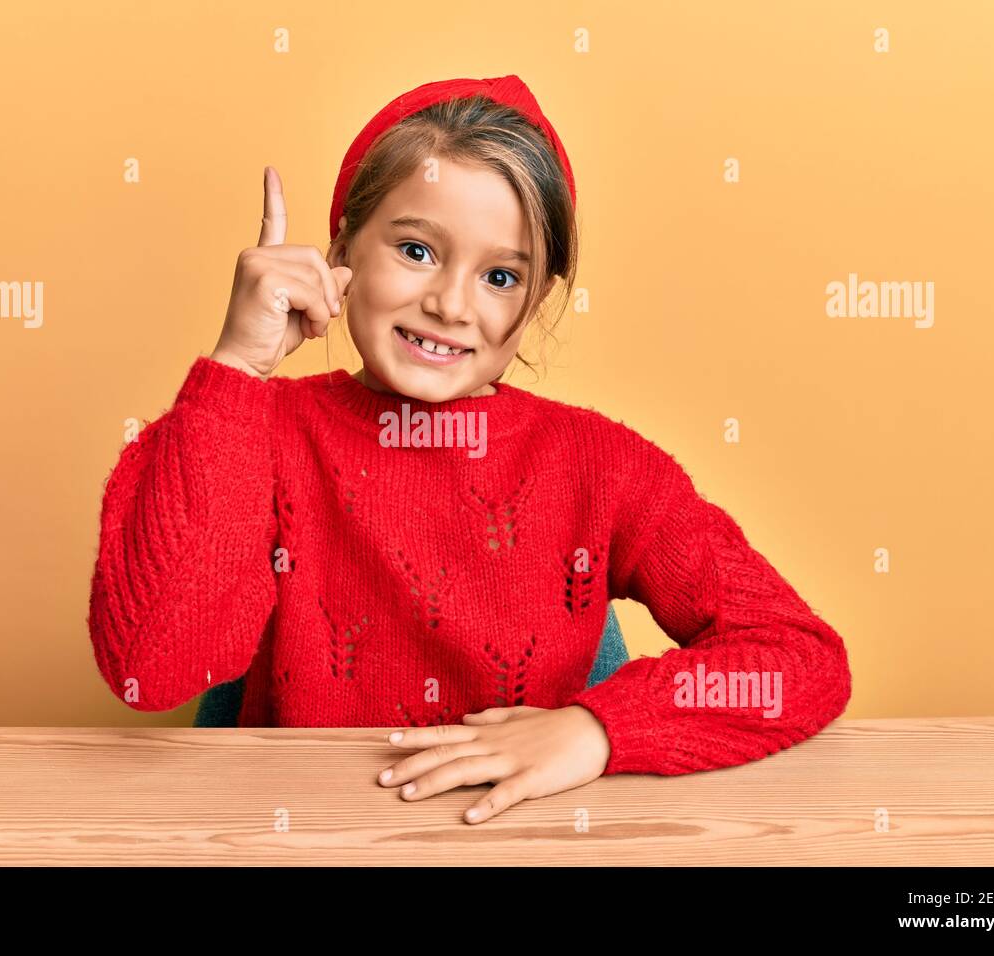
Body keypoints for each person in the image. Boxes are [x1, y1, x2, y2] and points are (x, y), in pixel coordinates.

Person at [87, 74, 852, 824]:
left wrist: (598, 730)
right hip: (303, 837)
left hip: (524, 841)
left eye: (498, 275)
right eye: (416, 250)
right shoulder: (254, 430)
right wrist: (234, 371)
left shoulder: (602, 464)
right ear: (343, 245)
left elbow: (799, 658)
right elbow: (148, 670)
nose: (452, 305)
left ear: (537, 299)